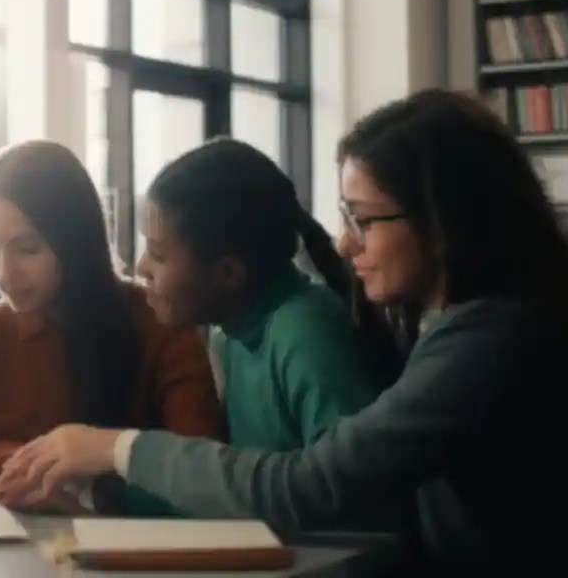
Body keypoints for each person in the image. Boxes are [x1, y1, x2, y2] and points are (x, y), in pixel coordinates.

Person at [0, 91, 568, 568]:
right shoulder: (463, 328)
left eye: (365, 221)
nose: (345, 243)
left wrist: (115, 448)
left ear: (446, 219)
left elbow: (312, 485)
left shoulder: (490, 344)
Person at [0, 140, 221, 506]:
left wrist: (91, 484)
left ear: (75, 241)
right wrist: (22, 464)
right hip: (15, 550)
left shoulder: (158, 323)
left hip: (130, 549)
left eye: (27, 249)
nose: (4, 273)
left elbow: (201, 469)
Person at [139, 138, 391, 451]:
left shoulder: (306, 335)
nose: (140, 268)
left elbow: (350, 483)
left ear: (229, 273)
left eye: (158, 255)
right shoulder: (226, 334)